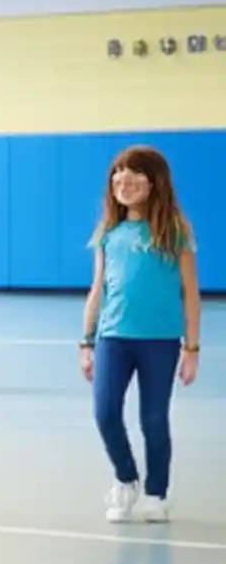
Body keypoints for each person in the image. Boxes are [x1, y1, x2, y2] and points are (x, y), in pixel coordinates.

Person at [80, 145, 200, 524]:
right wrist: (86, 340)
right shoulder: (108, 234)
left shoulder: (175, 231)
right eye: (118, 173)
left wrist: (191, 347)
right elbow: (97, 289)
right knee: (105, 413)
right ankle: (126, 477)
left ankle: (155, 492)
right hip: (113, 338)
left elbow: (190, 293)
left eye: (134, 173)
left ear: (155, 182)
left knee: (154, 420)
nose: (124, 180)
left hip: (160, 342)